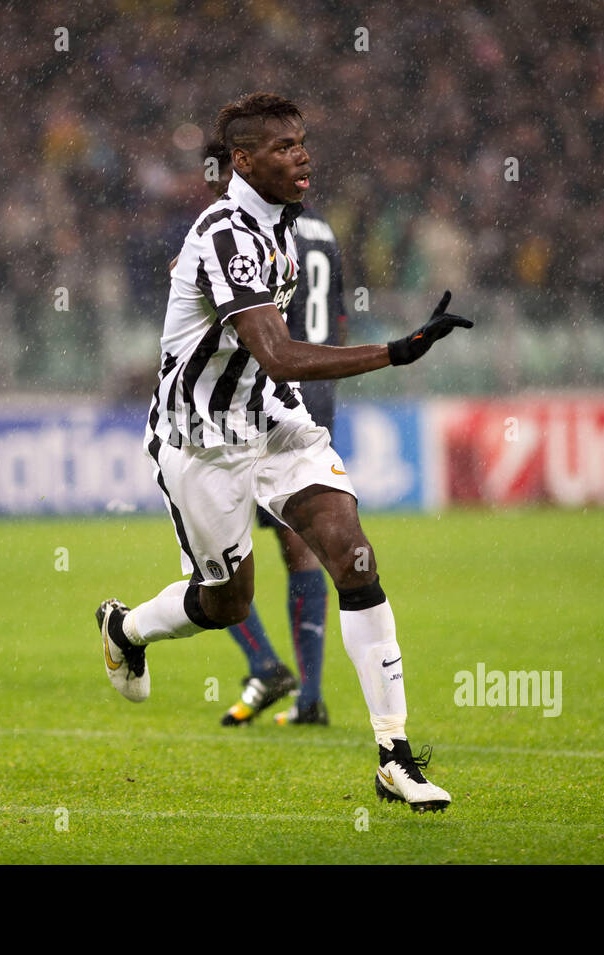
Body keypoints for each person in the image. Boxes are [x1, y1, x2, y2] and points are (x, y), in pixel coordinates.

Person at [96, 93, 471, 812]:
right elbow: (279, 351)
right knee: (226, 599)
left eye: (303, 142)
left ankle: (394, 757)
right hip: (203, 438)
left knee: (354, 557)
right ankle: (127, 625)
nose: (302, 155)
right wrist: (396, 351)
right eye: (284, 147)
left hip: (271, 418)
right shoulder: (225, 234)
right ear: (242, 159)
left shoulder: (280, 226)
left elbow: (269, 366)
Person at [186, 139, 347, 728]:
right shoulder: (323, 231)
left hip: (265, 390)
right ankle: (309, 696)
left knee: (218, 542)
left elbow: (238, 320)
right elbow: (340, 317)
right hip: (319, 390)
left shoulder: (249, 235)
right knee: (298, 541)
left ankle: (265, 666)